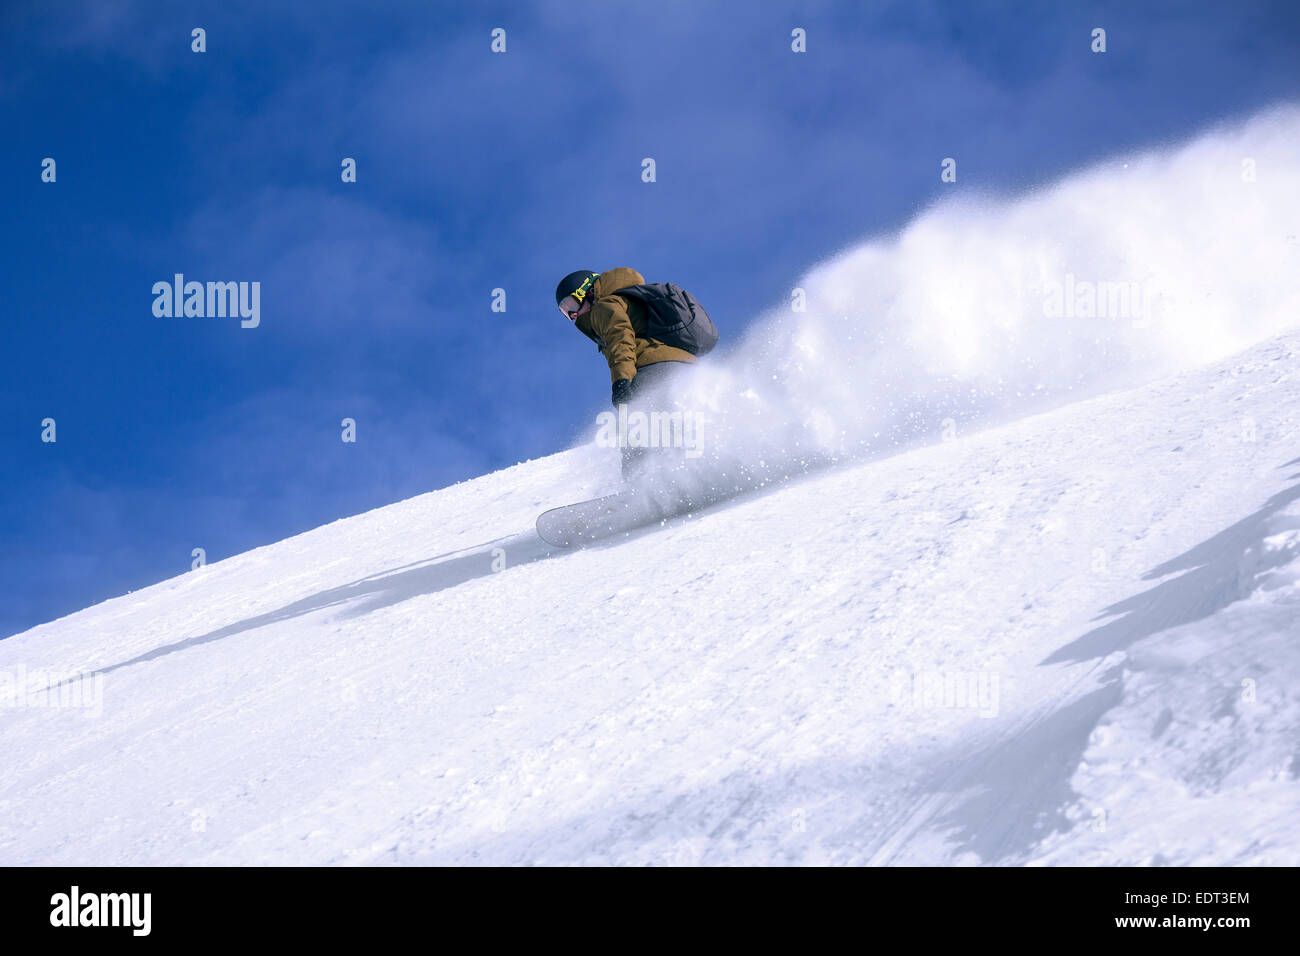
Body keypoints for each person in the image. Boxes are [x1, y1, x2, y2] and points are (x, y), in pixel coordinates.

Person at [555, 267, 698, 481]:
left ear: (587, 291)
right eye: (566, 312)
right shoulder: (625, 299)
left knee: (634, 427)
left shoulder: (605, 307)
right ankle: (692, 468)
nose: (573, 315)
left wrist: (621, 381)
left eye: (571, 305)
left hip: (653, 367)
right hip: (680, 365)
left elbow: (620, 339)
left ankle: (641, 487)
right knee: (667, 423)